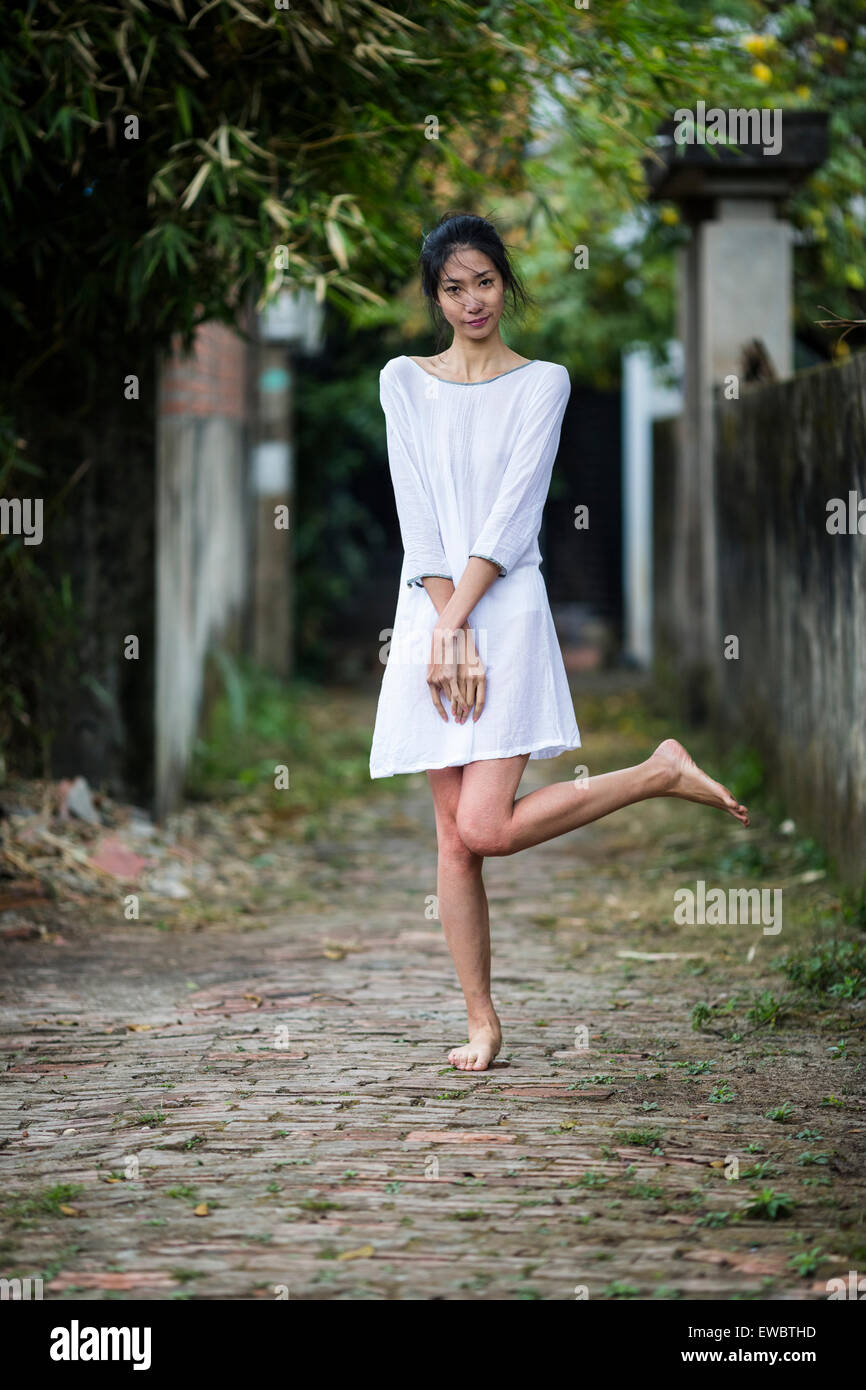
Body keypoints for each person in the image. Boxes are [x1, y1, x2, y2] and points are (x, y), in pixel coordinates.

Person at [370, 212, 748, 1073]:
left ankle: (657, 772)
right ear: (435, 296)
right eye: (454, 287)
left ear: (507, 282)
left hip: (500, 612)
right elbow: (417, 514)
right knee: (452, 837)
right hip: (432, 609)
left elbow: (511, 514)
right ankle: (482, 1022)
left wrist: (459, 626)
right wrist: (440, 625)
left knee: (486, 826)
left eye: (486, 282)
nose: (472, 301)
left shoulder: (544, 382)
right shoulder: (402, 379)